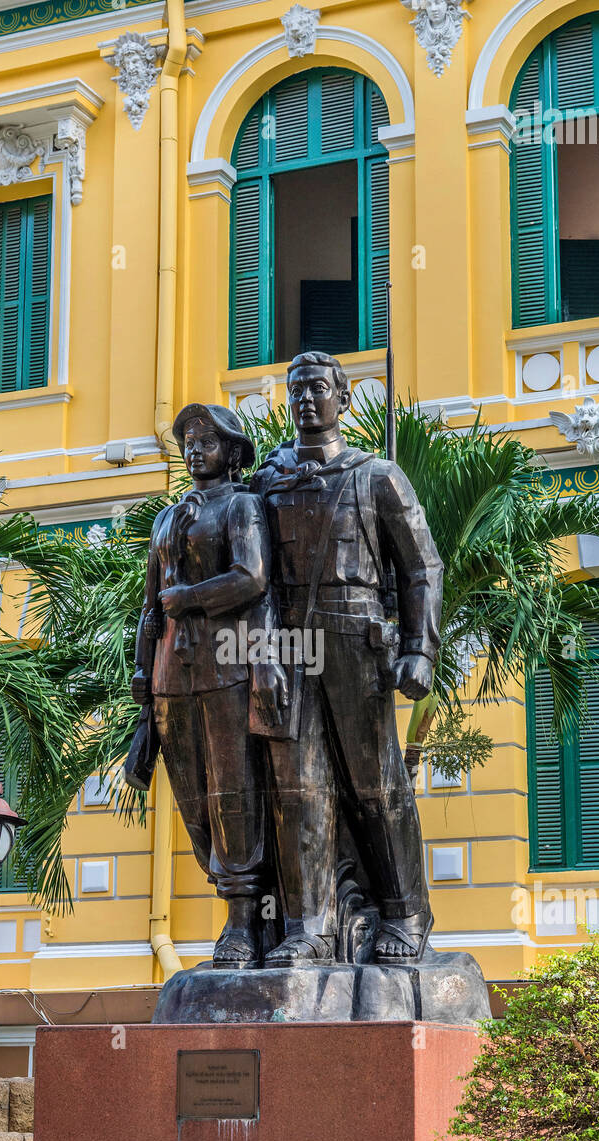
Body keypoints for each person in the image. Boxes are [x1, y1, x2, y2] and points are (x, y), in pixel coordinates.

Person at [250, 352, 443, 966]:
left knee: (376, 783)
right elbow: (251, 582)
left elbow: (421, 568)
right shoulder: (266, 482)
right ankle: (308, 927)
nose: (306, 399)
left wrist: (419, 649)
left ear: (344, 398)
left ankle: (406, 912)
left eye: (318, 389)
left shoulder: (377, 476)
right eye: (296, 389)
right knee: (296, 787)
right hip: (283, 643)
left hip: (355, 640)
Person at [130, 404, 285, 969]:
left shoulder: (241, 505)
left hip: (227, 667)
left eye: (208, 441)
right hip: (173, 675)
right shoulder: (166, 519)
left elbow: (252, 576)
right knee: (194, 801)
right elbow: (150, 606)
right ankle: (233, 897)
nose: (196, 450)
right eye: (189, 441)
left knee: (233, 791)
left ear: (232, 452)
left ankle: (245, 919)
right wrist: (143, 681)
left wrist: (192, 598)